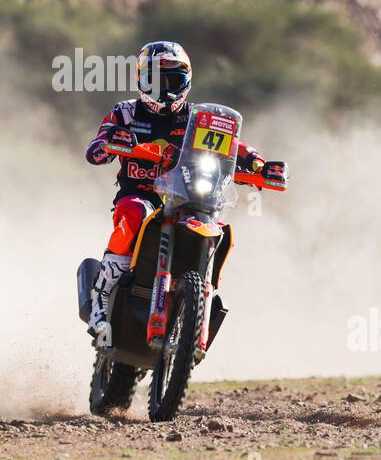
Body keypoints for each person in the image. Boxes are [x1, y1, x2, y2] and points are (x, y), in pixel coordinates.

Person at [83, 41, 286, 338]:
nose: (164, 89)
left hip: (186, 197)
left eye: (172, 79)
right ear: (141, 79)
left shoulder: (197, 119)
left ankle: (200, 302)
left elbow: (230, 145)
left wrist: (257, 164)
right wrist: (111, 142)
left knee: (219, 227)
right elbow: (94, 151)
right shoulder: (125, 112)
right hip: (140, 193)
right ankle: (101, 298)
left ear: (186, 81)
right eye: (154, 79)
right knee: (135, 211)